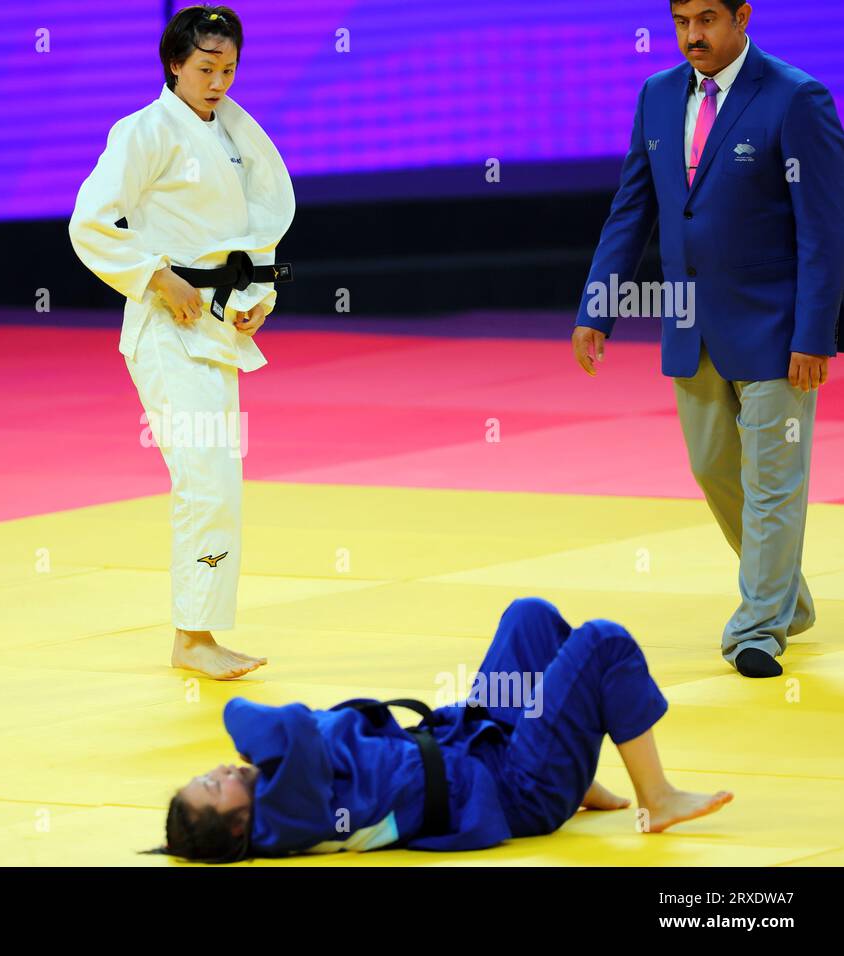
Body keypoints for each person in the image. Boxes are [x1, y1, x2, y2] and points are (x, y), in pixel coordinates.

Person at [570, 0, 844, 677]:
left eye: (708, 19)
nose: (694, 35)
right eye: (682, 20)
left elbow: (825, 228)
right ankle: (787, 600)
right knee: (715, 470)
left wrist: (816, 333)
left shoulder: (796, 98)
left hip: (779, 331)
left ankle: (756, 629)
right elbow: (632, 207)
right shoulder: (658, 96)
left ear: (743, 17)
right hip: (689, 322)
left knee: (774, 481)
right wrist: (597, 306)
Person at [69, 5, 295, 680]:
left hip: (214, 328)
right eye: (204, 67)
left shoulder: (233, 134)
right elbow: (91, 222)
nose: (218, 80)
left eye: (228, 68)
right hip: (166, 331)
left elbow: (251, 233)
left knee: (219, 481)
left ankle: (197, 632)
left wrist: (256, 299)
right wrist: (155, 276)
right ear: (174, 63)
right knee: (205, 481)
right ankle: (192, 637)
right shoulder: (143, 131)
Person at [158, 597, 733, 861]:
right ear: (238, 830)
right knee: (603, 640)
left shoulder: (283, 795)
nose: (217, 770)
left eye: (202, 776)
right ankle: (655, 798)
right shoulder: (287, 814)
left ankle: (578, 780)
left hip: (476, 742)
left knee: (528, 617)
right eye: (212, 788)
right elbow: (253, 717)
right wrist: (257, 755)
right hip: (520, 789)